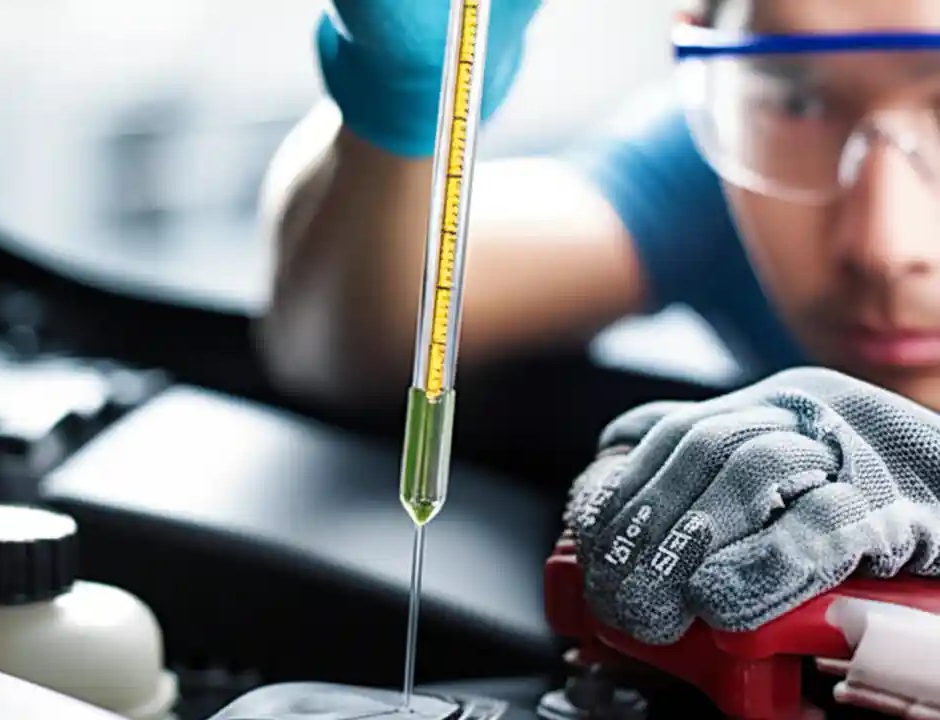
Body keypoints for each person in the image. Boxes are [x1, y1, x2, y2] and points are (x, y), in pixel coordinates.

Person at [256, 0, 940, 664]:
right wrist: (398, 104)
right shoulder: (724, 156)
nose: (884, 246)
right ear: (697, 60)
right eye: (800, 102)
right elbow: (359, 328)